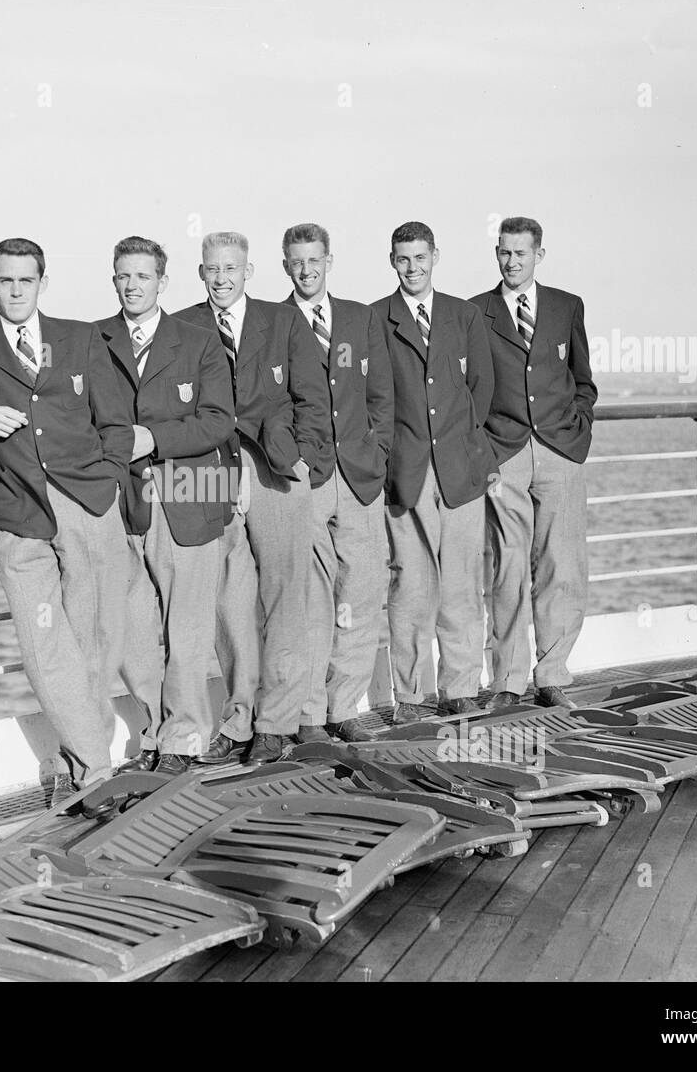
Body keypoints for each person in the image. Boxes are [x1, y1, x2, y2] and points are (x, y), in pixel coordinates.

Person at [0, 238, 134, 804]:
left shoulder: (79, 339)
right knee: (43, 641)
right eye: (6, 281)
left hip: (87, 503)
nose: (17, 291)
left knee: (94, 640)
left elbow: (116, 420)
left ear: (42, 282)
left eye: (27, 280)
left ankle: (79, 765)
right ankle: (96, 771)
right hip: (18, 510)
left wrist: (108, 482)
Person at [174, 231, 331, 766]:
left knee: (287, 593)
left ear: (248, 271)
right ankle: (239, 719)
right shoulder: (183, 326)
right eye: (212, 269)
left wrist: (306, 457)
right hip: (210, 472)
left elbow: (314, 395)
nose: (221, 278)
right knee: (227, 598)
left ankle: (278, 721)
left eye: (231, 268)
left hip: (277, 469)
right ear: (201, 273)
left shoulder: (284, 322)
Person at [96, 237, 235, 775]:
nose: (132, 286)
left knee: (187, 628)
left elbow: (219, 420)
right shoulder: (94, 340)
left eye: (143, 277)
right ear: (114, 280)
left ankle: (183, 736)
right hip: (122, 501)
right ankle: (155, 728)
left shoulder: (198, 342)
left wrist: (153, 438)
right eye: (123, 277)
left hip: (186, 495)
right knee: (132, 629)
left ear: (162, 282)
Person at [471, 217, 597, 709]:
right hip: (503, 455)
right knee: (506, 567)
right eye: (504, 252)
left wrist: (577, 431)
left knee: (562, 564)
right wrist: (484, 451)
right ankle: (507, 680)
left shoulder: (567, 307)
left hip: (559, 452)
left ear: (538, 255)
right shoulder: (476, 312)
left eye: (521, 253)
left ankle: (553, 674)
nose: (511, 262)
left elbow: (583, 380)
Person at [374, 222, 497, 720]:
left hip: (460, 470)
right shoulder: (375, 319)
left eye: (420, 258)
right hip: (406, 471)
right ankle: (409, 696)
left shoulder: (464, 316)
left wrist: (470, 450)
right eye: (403, 259)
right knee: (410, 585)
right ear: (392, 261)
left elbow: (480, 389)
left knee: (463, 583)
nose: (412, 268)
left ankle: (461, 687)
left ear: (435, 257)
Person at [280, 223, 392, 743]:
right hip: (307, 478)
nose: (306, 270)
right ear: (286, 266)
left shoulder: (359, 318)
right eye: (297, 262)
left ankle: (345, 704)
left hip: (360, 475)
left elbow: (381, 397)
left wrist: (379, 451)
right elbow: (269, 403)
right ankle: (309, 713)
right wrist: (293, 461)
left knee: (364, 590)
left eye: (314, 261)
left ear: (329, 261)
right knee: (309, 597)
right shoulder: (274, 322)